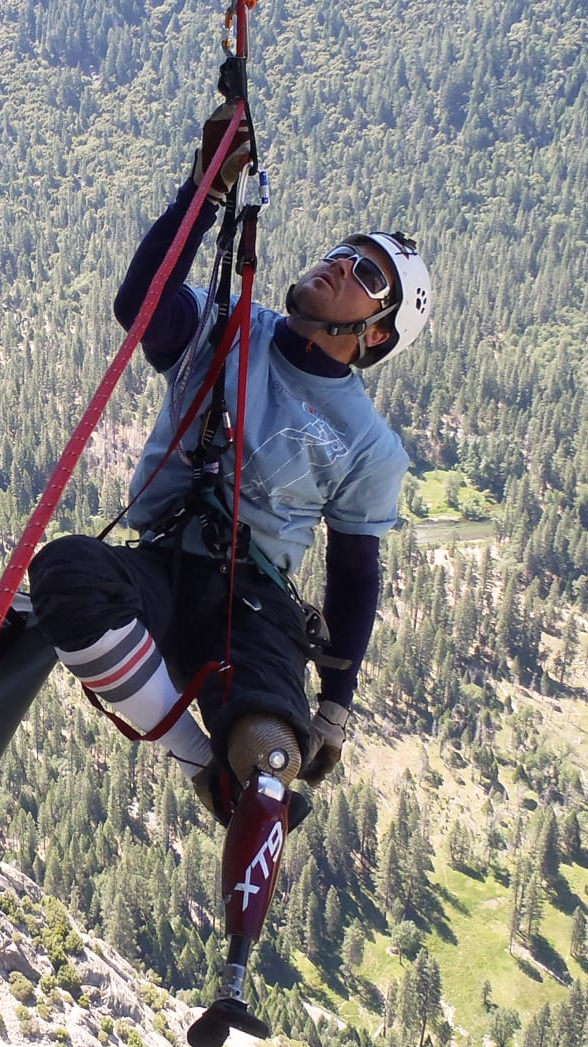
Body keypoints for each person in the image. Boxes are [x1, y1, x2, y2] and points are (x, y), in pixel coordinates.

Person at [27, 104, 431, 820]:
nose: (340, 261)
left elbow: (354, 575)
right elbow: (142, 308)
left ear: (376, 334)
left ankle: (246, 777)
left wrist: (335, 704)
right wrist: (204, 192)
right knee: (67, 575)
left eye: (367, 272)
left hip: (257, 599)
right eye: (344, 250)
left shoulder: (369, 446)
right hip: (163, 562)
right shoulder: (226, 324)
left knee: (270, 745)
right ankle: (200, 763)